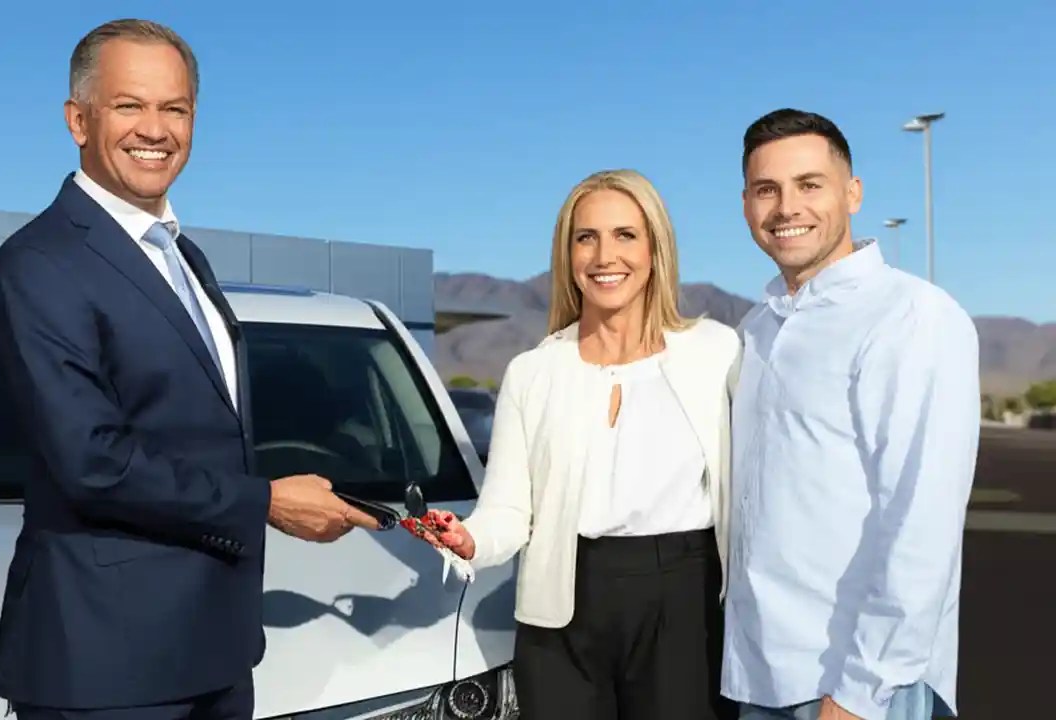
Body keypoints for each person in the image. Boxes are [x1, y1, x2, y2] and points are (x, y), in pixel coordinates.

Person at [0, 18, 378, 720]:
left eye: (176, 108)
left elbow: (197, 428)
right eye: (129, 106)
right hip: (109, 669)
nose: (155, 129)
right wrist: (267, 503)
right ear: (78, 119)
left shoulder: (182, 258)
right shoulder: (39, 264)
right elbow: (90, 460)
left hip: (216, 653)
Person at [412, 169, 741, 719]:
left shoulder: (717, 352)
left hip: (687, 601)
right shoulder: (533, 372)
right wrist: (469, 540)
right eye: (585, 237)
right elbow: (510, 510)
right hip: (561, 611)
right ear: (566, 255)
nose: (604, 255)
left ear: (656, 249)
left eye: (625, 235)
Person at [720, 108, 980, 720]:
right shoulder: (756, 330)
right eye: (767, 190)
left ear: (853, 193)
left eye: (809, 185)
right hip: (760, 677)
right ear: (746, 205)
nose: (787, 207)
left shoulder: (911, 316)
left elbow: (922, 519)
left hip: (861, 686)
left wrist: (865, 690)